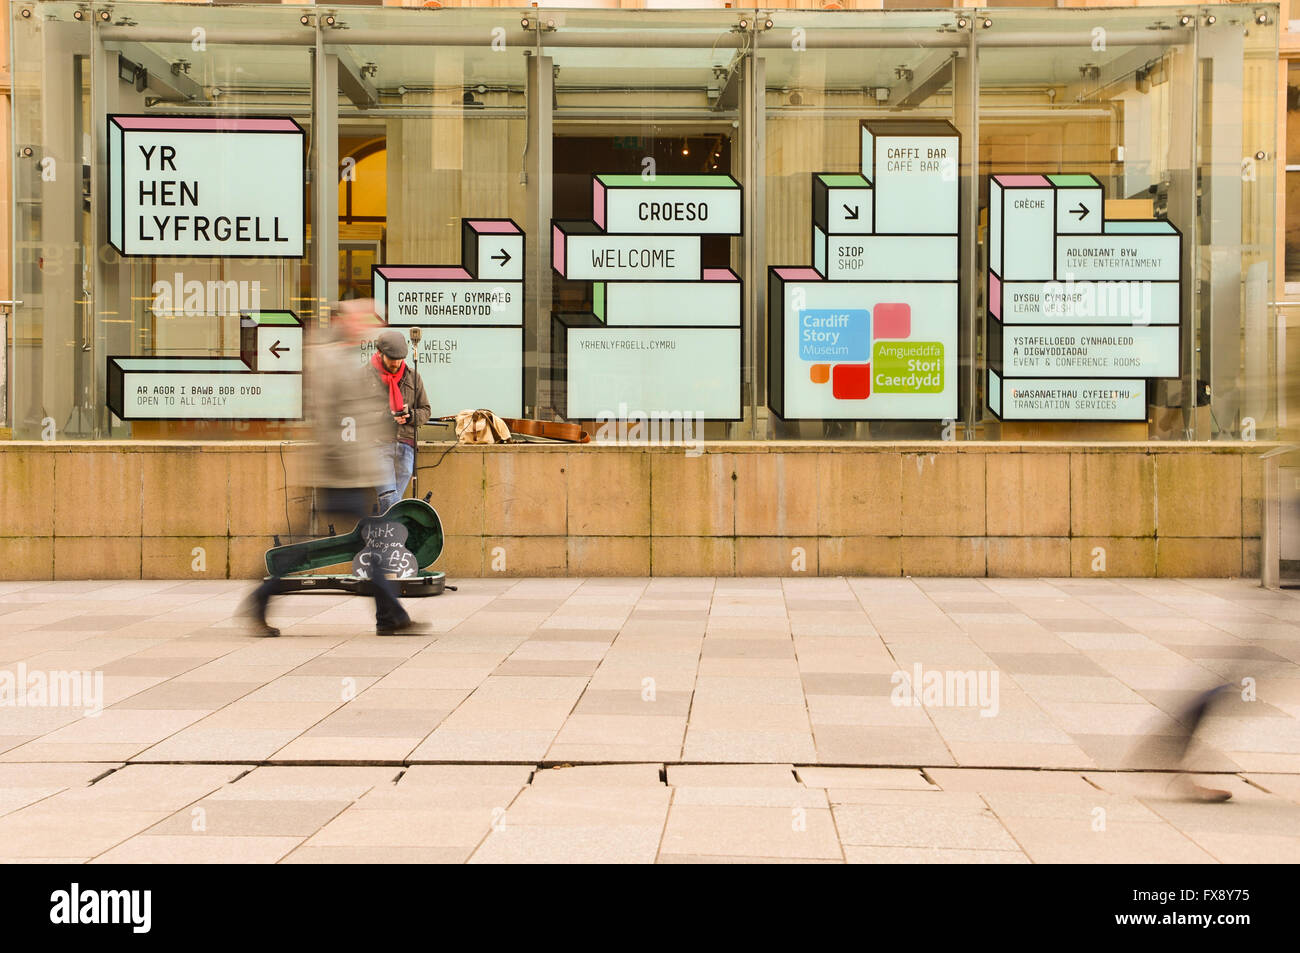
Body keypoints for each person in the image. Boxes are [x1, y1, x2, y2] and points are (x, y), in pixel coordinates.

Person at [239, 301, 430, 638]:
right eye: (358, 323)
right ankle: (261, 598)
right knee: (331, 544)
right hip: (338, 473)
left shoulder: (341, 359)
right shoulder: (331, 361)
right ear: (343, 325)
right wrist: (347, 465)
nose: (363, 329)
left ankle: (390, 617)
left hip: (348, 471)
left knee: (367, 542)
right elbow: (333, 421)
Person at [371, 329, 431, 512]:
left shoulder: (413, 377)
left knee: (389, 502)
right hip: (378, 444)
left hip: (407, 445)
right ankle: (400, 533)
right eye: (392, 358)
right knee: (390, 497)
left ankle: (384, 535)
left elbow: (426, 410)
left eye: (400, 359)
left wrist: (411, 416)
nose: (397, 363)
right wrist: (387, 417)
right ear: (380, 354)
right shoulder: (366, 377)